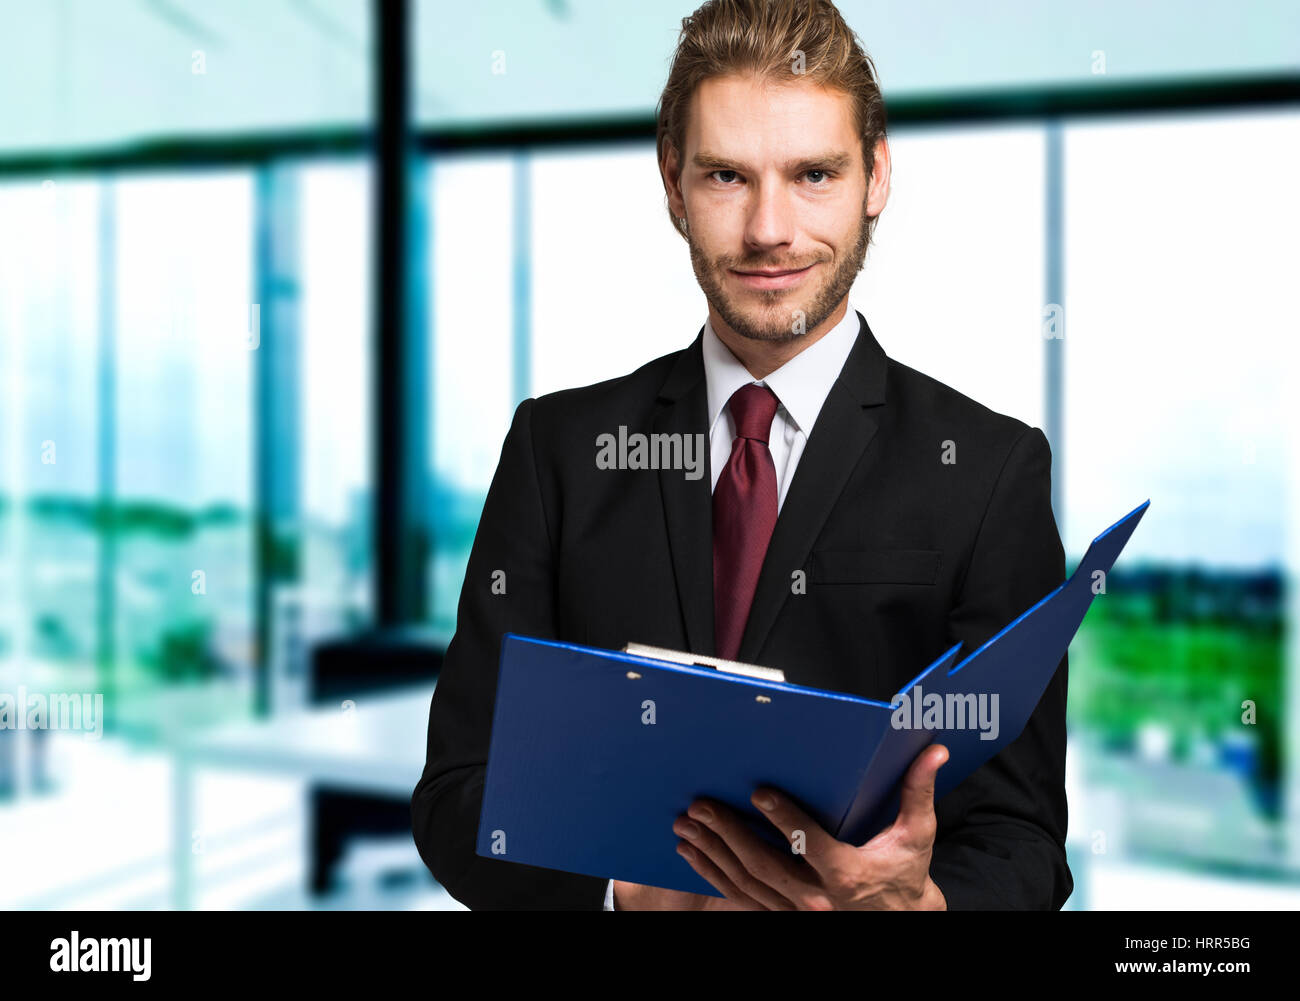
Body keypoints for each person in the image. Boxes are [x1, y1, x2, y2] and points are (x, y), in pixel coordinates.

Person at [411, 0, 1071, 910]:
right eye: (727, 176)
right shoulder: (556, 452)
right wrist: (629, 893)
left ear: (875, 177)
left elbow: (1022, 838)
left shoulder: (991, 474)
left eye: (813, 175)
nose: (770, 230)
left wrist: (923, 908)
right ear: (672, 180)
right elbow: (457, 796)